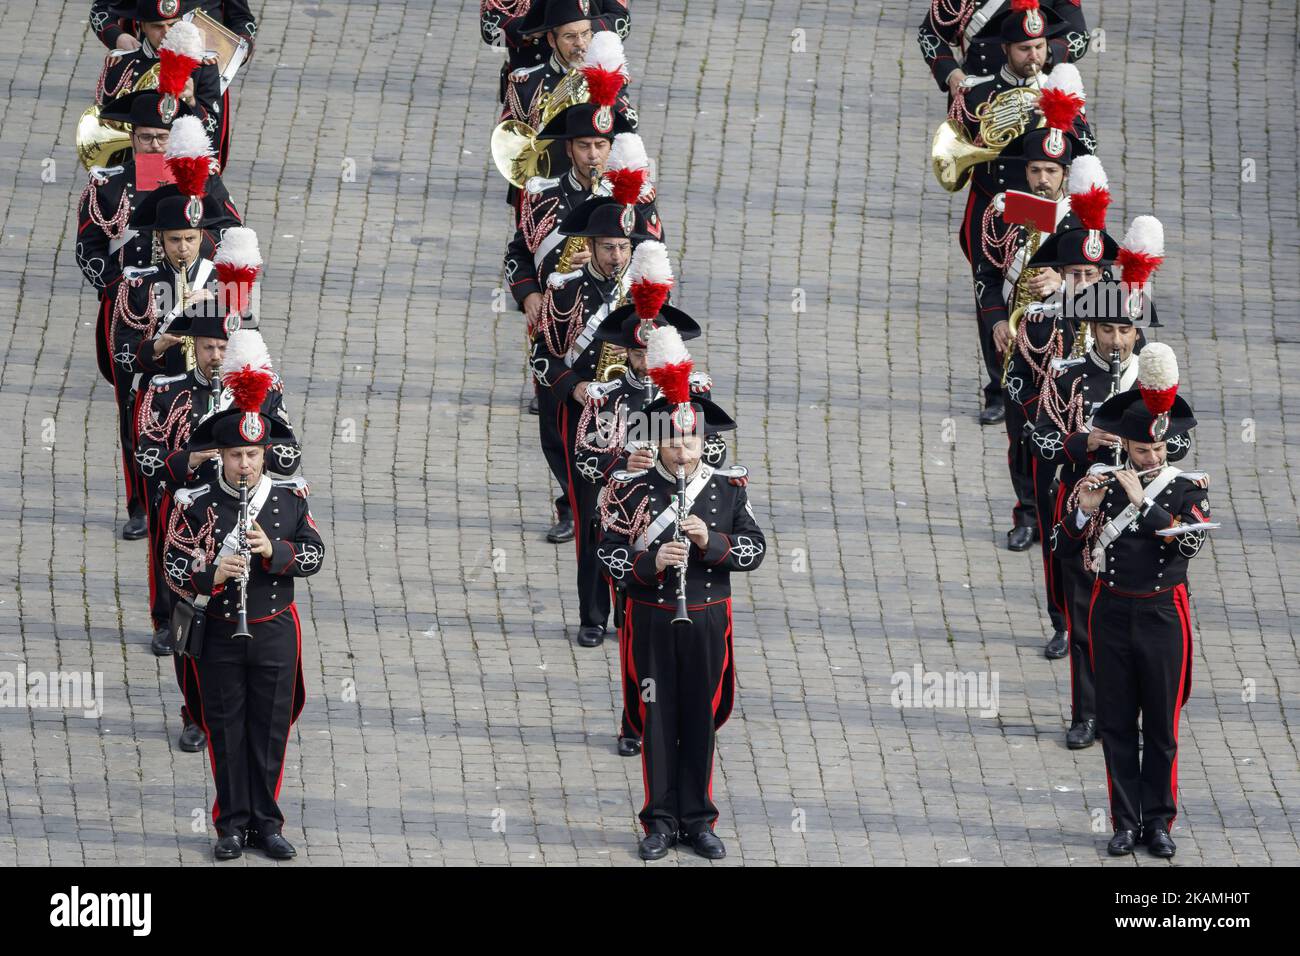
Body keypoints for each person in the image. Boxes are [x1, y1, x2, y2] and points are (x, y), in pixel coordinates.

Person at [596, 342, 765, 860]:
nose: (683, 452)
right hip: (652, 620)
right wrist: (650, 564)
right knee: (657, 718)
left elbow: (753, 550)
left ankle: (699, 818)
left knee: (699, 716)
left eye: (691, 443)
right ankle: (659, 821)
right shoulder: (631, 487)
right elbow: (608, 552)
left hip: (708, 619)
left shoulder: (729, 487)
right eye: (673, 443)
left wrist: (708, 545)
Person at [1051, 343, 1209, 858]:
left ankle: (1159, 822)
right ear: (1126, 446)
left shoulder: (1183, 489)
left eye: (1159, 452)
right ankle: (1124, 820)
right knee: (1117, 723)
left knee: (1161, 726)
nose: (1153, 458)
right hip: (1112, 612)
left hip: (1164, 612)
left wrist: (1145, 504)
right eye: (1143, 452)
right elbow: (1064, 549)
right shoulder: (1103, 485)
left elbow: (1189, 542)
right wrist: (1083, 511)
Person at [163, 398, 322, 861]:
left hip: (273, 629)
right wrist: (209, 576)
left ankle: (267, 825)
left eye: (254, 454)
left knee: (270, 730)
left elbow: (314, 553)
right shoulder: (196, 501)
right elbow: (172, 561)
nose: (246, 464)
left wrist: (276, 551)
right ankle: (230, 825)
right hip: (218, 631)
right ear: (222, 456)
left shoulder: (289, 496)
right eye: (236, 455)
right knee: (225, 730)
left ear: (264, 453)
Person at [78, 97, 241, 538]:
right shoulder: (108, 184)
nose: (153, 145)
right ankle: (142, 507)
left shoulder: (200, 178)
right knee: (136, 410)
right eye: (146, 136)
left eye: (162, 137)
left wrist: (218, 288)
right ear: (132, 137)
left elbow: (233, 235)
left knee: (198, 404)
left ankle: (201, 497)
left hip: (198, 307)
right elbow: (88, 247)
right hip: (134, 311)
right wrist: (121, 287)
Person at [137, 317, 298, 755]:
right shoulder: (170, 388)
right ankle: (194, 714)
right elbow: (148, 459)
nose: (215, 357)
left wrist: (252, 449)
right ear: (194, 347)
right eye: (207, 347)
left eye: (223, 348)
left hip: (248, 509)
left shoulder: (263, 392)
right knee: (187, 618)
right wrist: (197, 456)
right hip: (189, 514)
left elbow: (288, 454)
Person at [948, 10, 1094, 423]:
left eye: (1039, 48)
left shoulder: (1059, 94)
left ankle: (1049, 377)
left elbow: (1086, 155)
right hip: (994, 202)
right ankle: (999, 387)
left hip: (1045, 208)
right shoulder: (977, 93)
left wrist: (1064, 121)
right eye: (1025, 49)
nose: (1034, 57)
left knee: (1043, 286)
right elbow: (953, 143)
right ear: (1005, 50)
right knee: (990, 285)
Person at [531, 197, 639, 638]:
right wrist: (573, 386)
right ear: (591, 246)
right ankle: (592, 616)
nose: (617, 257)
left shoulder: (645, 290)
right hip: (586, 419)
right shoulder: (567, 288)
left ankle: (631, 612)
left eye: (624, 248)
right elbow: (542, 358)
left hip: (635, 416)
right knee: (594, 518)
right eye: (609, 247)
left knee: (638, 515)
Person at [91, 0, 257, 167]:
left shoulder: (205, 68)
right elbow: (101, 9)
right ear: (143, 25)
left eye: (172, 25)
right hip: (137, 162)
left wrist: (237, 52)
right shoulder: (123, 64)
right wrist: (116, 36)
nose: (166, 33)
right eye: (157, 27)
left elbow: (209, 131)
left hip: (204, 61)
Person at [918, 0, 1090, 102]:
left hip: (1037, 94)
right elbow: (930, 34)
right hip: (978, 95)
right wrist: (951, 73)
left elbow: (1078, 36)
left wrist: (1041, 54)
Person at [481, 0, 630, 102]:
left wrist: (578, 27)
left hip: (590, 74)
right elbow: (491, 29)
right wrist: (531, 30)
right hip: (532, 85)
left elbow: (621, 23)